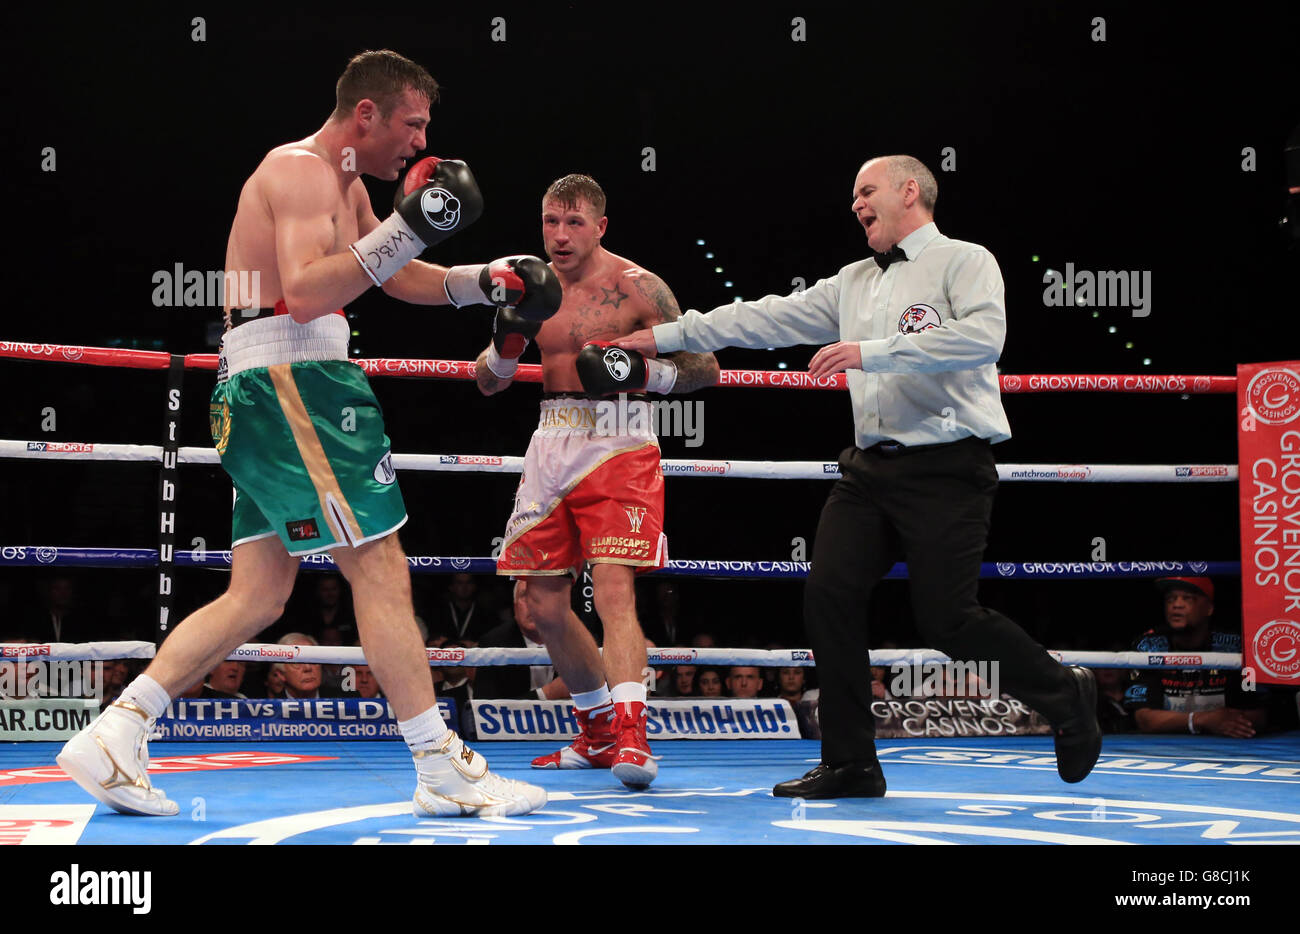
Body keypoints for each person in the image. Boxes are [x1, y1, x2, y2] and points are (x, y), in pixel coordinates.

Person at [56, 49, 558, 819]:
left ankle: (118, 731)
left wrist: (480, 280)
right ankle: (438, 763)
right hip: (293, 381)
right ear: (368, 114)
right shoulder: (299, 171)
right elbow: (304, 291)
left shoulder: (348, 184)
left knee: (260, 590)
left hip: (269, 387)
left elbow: (387, 275)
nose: (420, 145)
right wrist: (407, 227)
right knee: (381, 564)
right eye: (413, 124)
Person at [617, 154, 1102, 798]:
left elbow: (984, 339)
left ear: (910, 192)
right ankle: (851, 762)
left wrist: (870, 352)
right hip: (868, 469)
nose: (855, 204)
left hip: (948, 465)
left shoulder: (965, 260)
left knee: (947, 618)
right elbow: (764, 316)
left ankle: (1065, 693)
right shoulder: (853, 281)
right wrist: (666, 335)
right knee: (828, 598)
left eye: (865, 191)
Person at [474, 174, 719, 789]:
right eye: (551, 222)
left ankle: (635, 734)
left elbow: (705, 368)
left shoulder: (639, 287)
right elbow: (489, 382)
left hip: (620, 440)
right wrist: (506, 348)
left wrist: (644, 373)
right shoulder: (530, 287)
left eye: (574, 223)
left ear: (600, 226)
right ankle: (597, 731)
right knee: (543, 606)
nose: (559, 235)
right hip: (550, 436)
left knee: (612, 587)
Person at [1124, 577, 1268, 736]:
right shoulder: (1148, 645)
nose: (1176, 604)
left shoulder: (1234, 646)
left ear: (1209, 608)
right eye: (1170, 599)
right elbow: (1144, 719)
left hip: (1228, 747)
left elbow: (1257, 715)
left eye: (1187, 598)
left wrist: (1225, 721)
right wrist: (1202, 720)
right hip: (1164, 748)